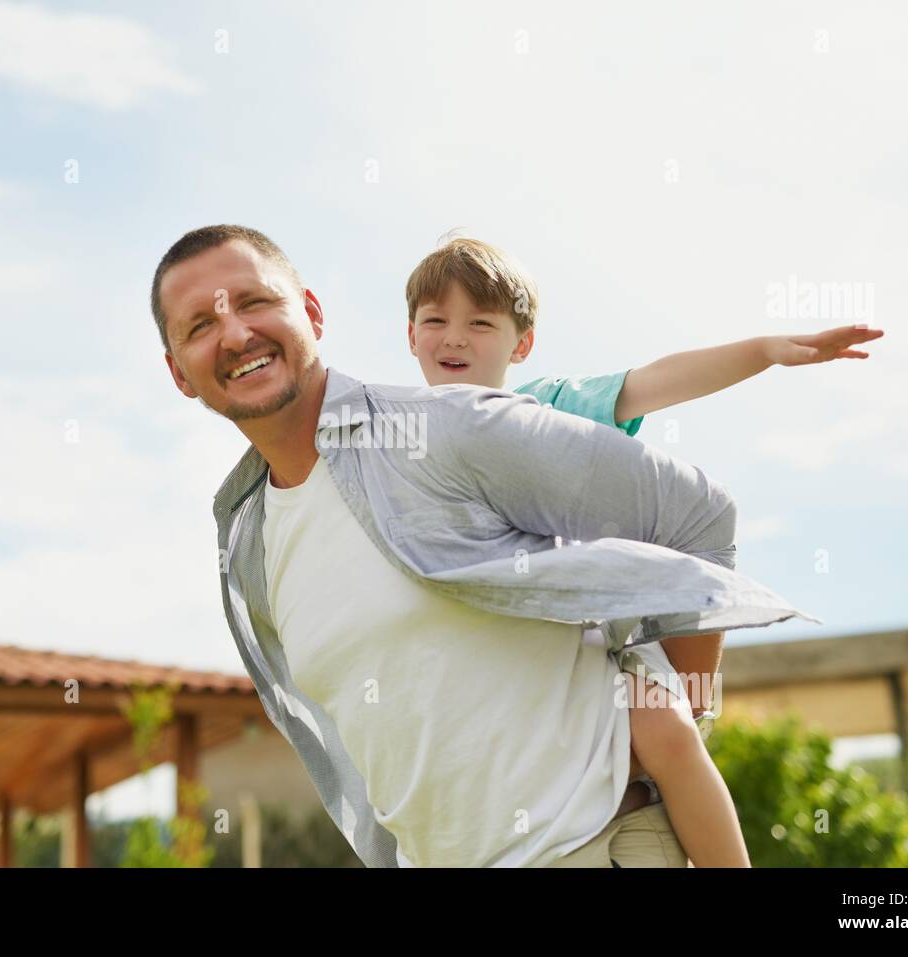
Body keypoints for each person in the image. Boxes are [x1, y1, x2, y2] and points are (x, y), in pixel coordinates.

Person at [153, 224, 817, 867]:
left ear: (313, 313)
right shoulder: (250, 547)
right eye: (200, 325)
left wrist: (675, 712)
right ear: (179, 372)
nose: (236, 332)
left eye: (255, 301)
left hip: (592, 846)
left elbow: (699, 516)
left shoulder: (447, 429)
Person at [403, 234, 883, 866]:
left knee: (662, 727)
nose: (454, 337)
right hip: (501, 668)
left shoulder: (544, 408)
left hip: (598, 644)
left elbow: (655, 381)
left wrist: (764, 351)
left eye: (480, 323)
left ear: (521, 344)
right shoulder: (398, 438)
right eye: (435, 320)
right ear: (410, 335)